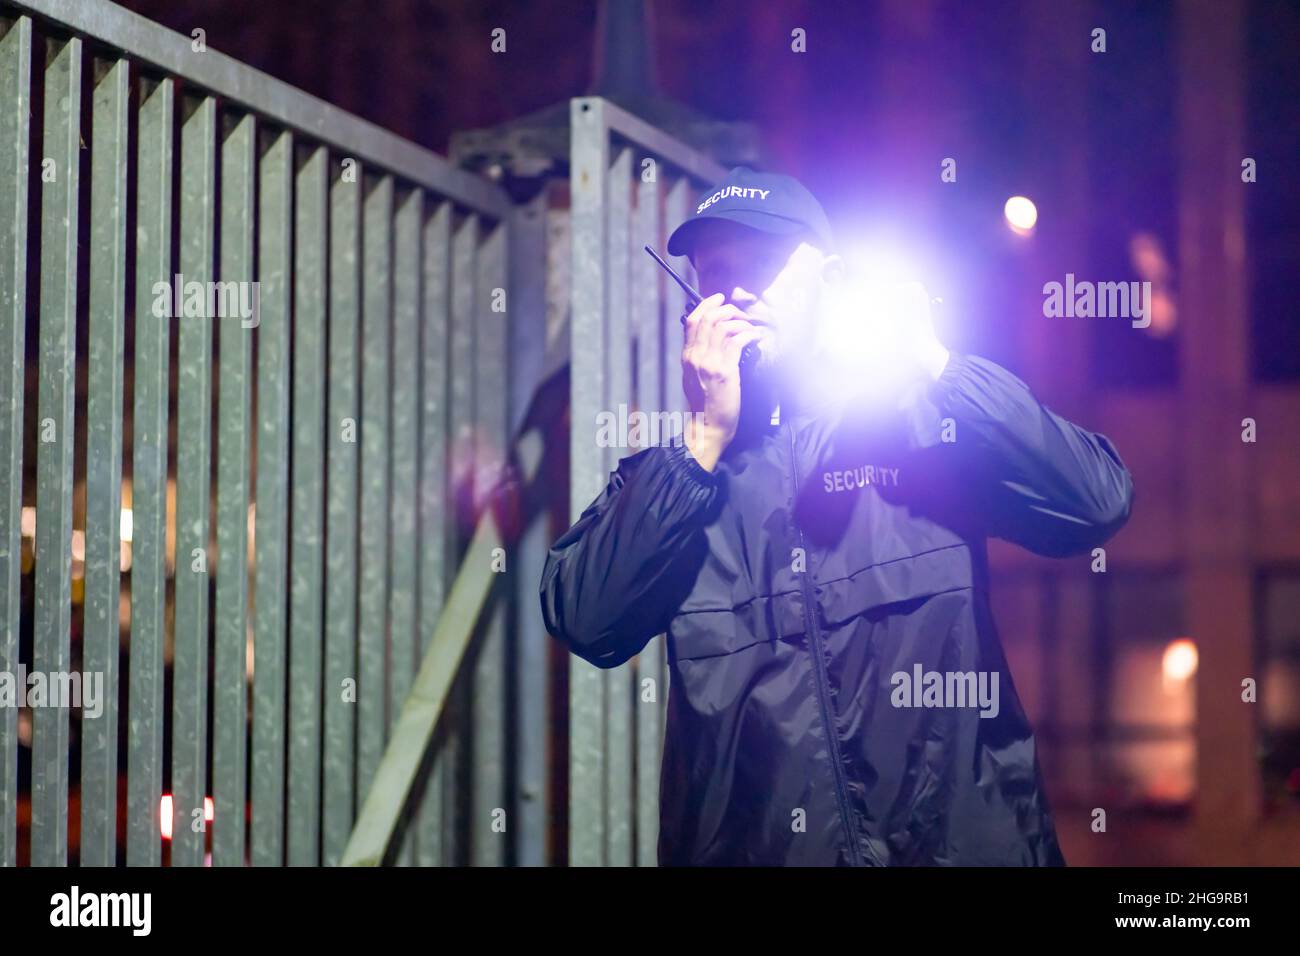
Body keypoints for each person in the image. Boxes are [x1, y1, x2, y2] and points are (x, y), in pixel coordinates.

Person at [539, 166, 1134, 866]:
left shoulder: (922, 423)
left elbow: (1095, 502)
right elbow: (586, 620)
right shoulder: (678, 480)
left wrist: (937, 363)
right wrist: (702, 440)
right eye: (713, 271)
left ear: (832, 278)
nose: (733, 289)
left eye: (760, 261)